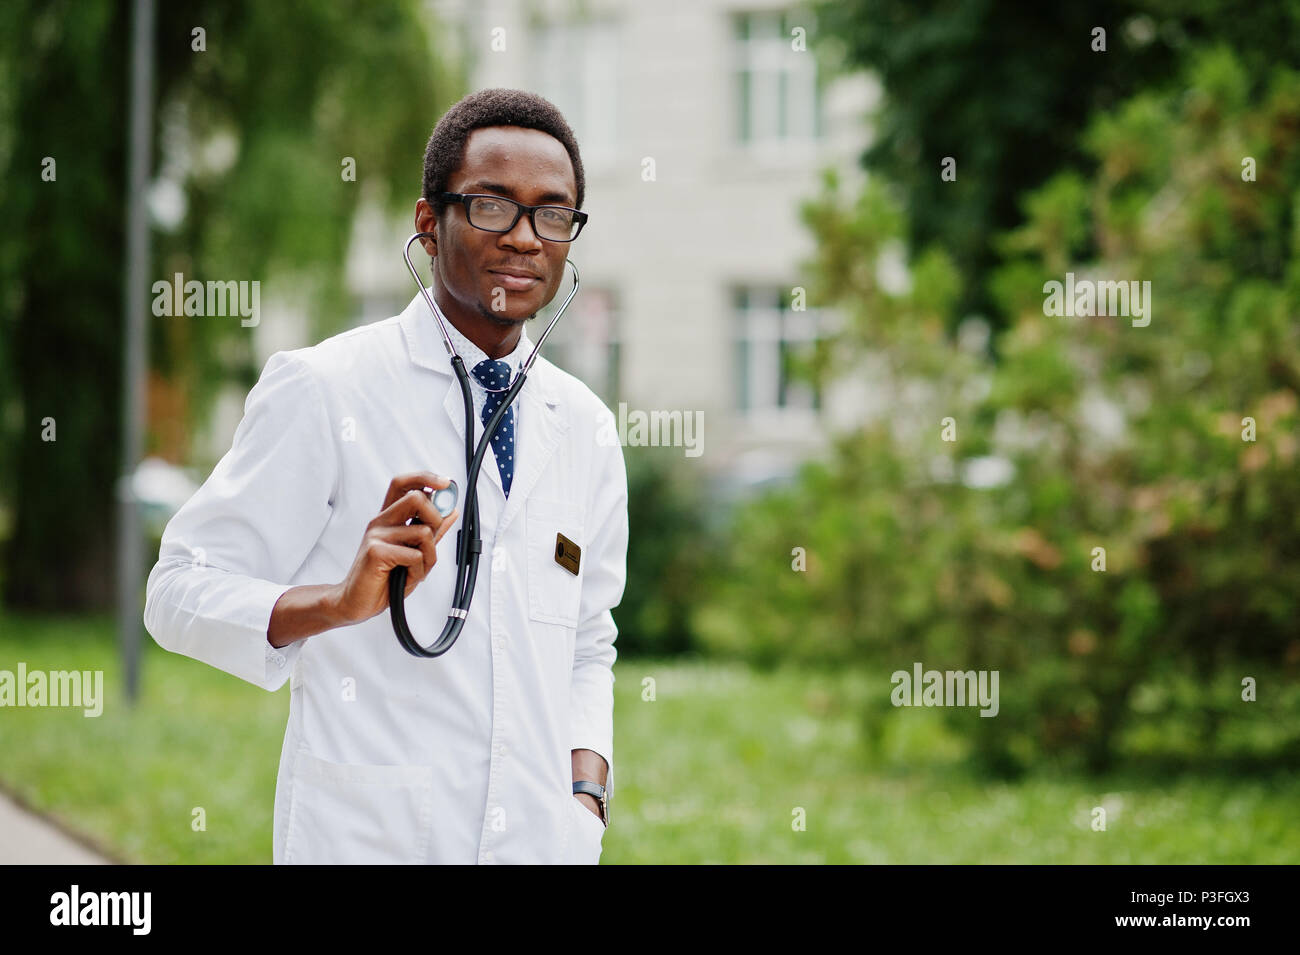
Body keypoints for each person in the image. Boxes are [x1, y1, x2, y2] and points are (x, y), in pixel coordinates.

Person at [144, 88, 627, 865]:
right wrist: (334, 603)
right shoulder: (324, 387)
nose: (526, 238)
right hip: (369, 839)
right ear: (429, 224)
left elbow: (588, 642)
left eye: (552, 213)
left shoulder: (589, 429)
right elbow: (176, 590)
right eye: (493, 206)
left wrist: (586, 798)